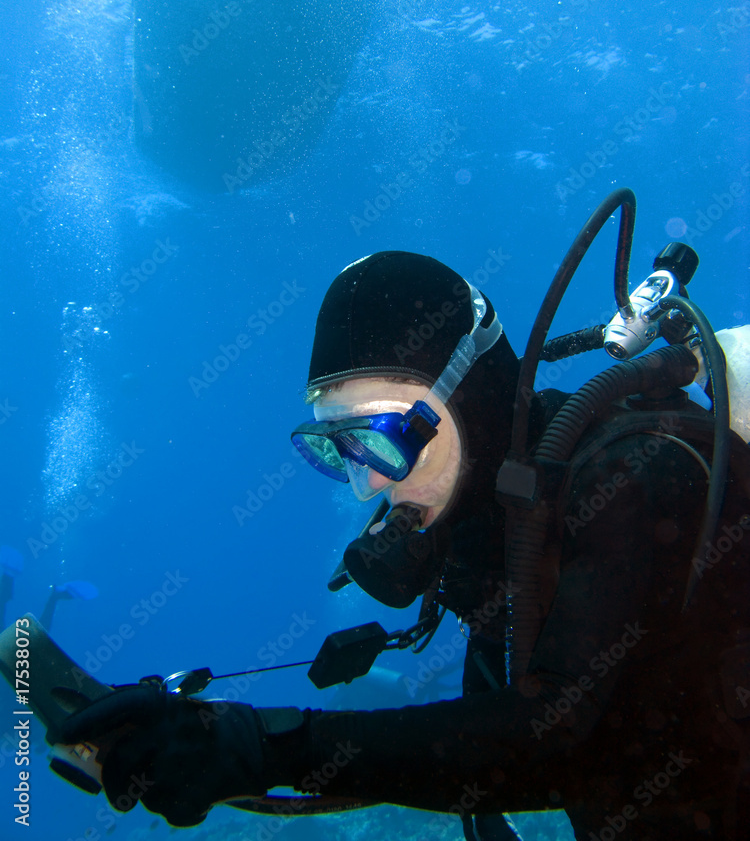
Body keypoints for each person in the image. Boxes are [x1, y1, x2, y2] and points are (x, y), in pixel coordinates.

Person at [60, 250, 750, 840]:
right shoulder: (494, 526)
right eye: (336, 450)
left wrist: (267, 745)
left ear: (470, 395)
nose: (364, 487)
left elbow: (563, 738)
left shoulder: (638, 474)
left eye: (379, 438)